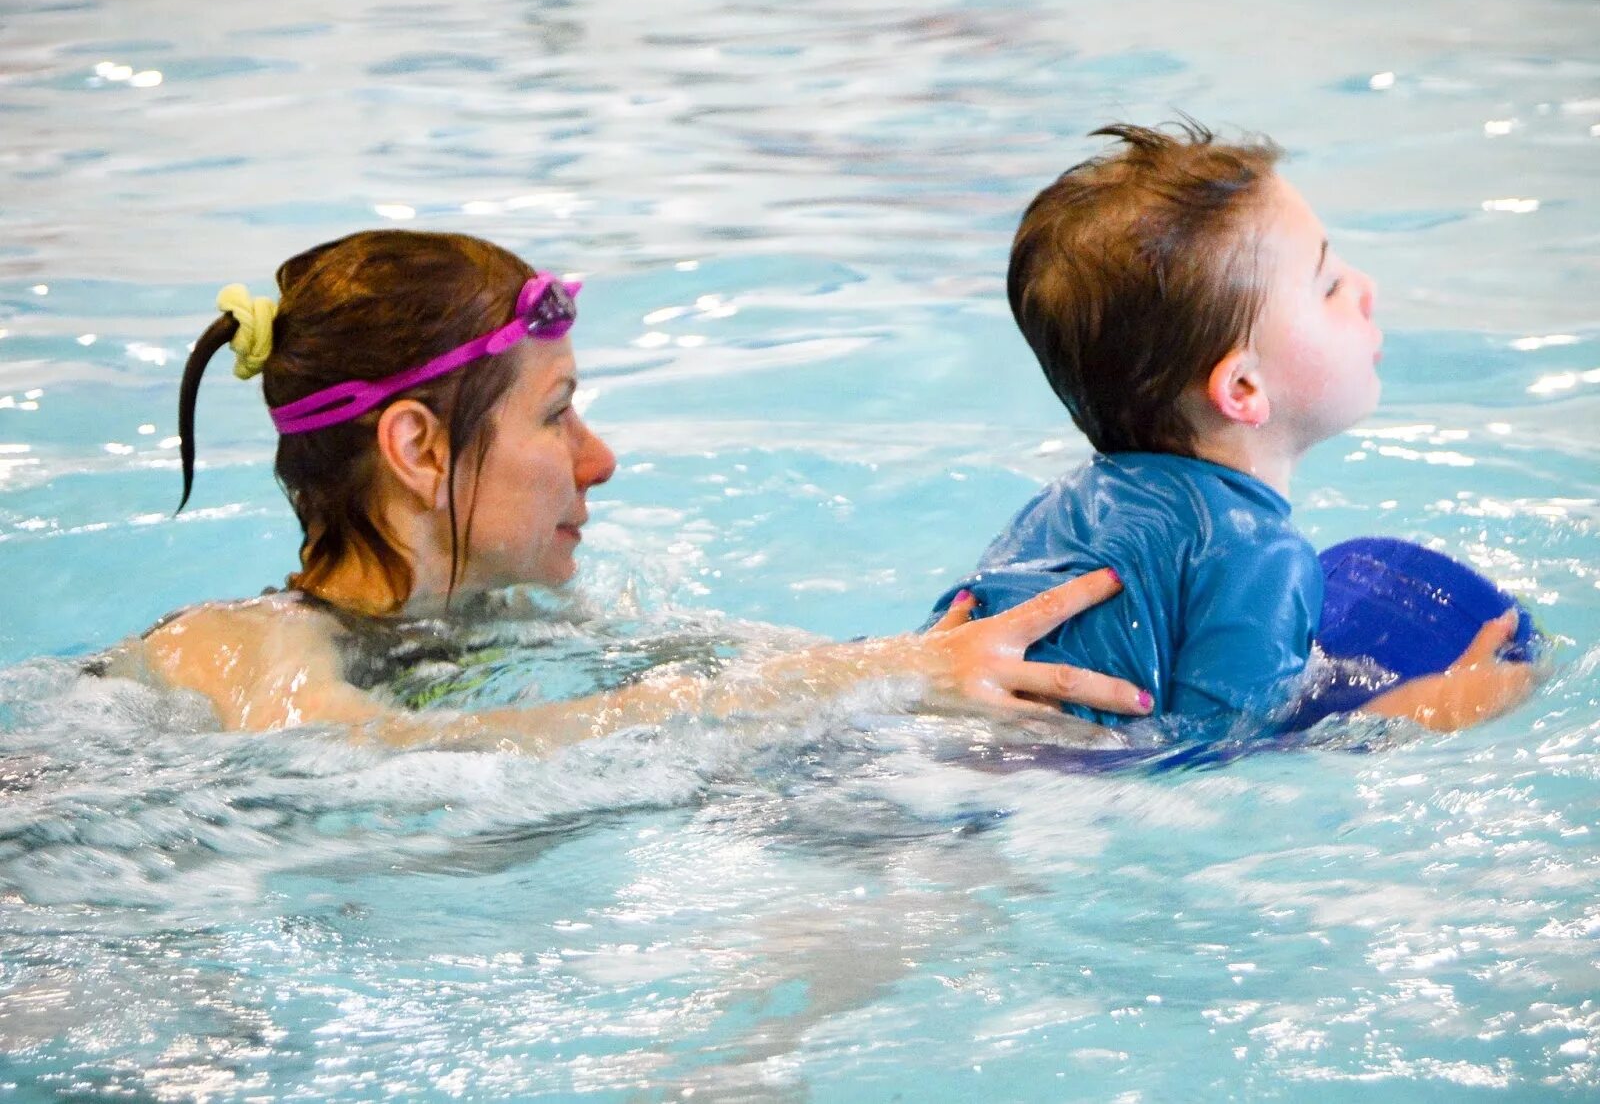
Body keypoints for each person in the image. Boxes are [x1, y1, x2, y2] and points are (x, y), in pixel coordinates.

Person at [101, 230, 1154, 753]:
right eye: (556, 414)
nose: (597, 459)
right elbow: (375, 761)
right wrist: (840, 687)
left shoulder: (506, 621)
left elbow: (713, 668)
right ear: (419, 449)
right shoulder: (235, 649)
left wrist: (920, 675)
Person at [931, 121, 1535, 734]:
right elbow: (1219, 767)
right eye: (1328, 286)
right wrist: (1431, 709)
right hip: (1004, 810)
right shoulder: (1258, 553)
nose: (1366, 289)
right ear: (1243, 388)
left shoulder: (1059, 508)